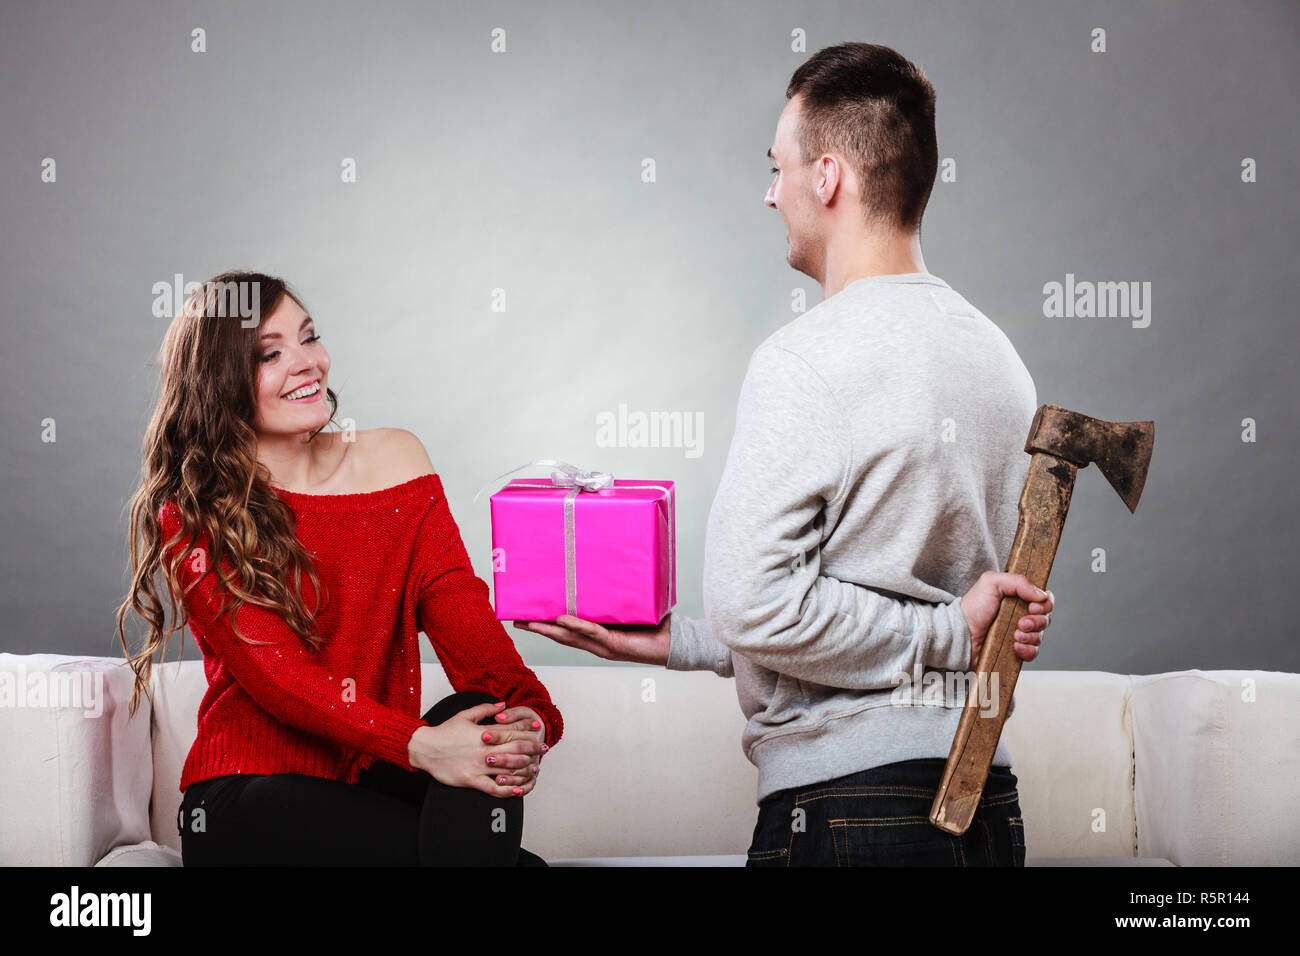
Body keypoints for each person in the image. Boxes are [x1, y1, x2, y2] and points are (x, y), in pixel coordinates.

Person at [515, 42, 1055, 866]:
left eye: (779, 168)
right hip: (984, 804)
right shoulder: (1000, 362)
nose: (772, 196)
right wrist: (681, 644)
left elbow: (761, 601)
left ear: (828, 177)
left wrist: (945, 631)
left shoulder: (806, 359)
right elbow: (890, 586)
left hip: (850, 809)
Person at [116, 271, 561, 866]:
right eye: (271, 354)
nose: (307, 363)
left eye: (309, 337)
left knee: (479, 709)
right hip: (250, 801)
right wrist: (421, 746)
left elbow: (464, 616)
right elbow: (282, 679)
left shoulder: (397, 460)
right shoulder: (195, 512)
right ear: (220, 385)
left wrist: (527, 714)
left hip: (371, 780)